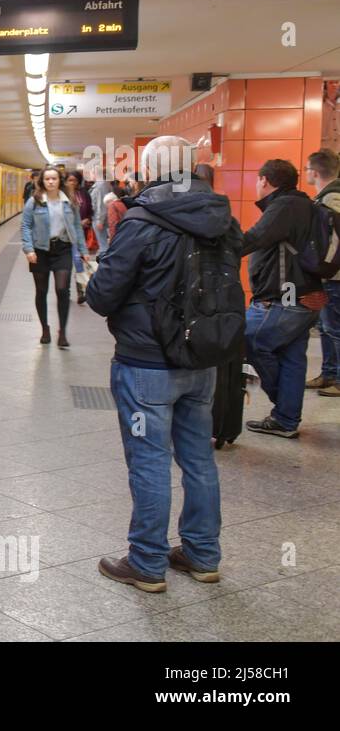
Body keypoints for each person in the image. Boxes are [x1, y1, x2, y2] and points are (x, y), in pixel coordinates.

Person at [85, 135, 237, 593]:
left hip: (146, 361)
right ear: (192, 168)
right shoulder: (222, 217)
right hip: (203, 357)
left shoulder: (142, 219)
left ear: (150, 171)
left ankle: (148, 562)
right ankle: (201, 555)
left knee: (149, 460)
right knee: (198, 460)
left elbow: (102, 295)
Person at [241, 158, 325, 438]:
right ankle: (286, 420)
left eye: (257, 180)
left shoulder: (284, 206)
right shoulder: (304, 203)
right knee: (291, 357)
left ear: (265, 180)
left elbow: (252, 239)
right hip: (306, 297)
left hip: (284, 299)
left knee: (250, 339)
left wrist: (215, 251)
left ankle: (284, 406)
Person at [20, 166, 90, 347]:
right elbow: (26, 225)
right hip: (40, 250)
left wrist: (83, 250)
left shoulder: (69, 201)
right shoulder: (34, 201)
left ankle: (63, 332)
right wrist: (28, 249)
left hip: (63, 248)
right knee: (41, 291)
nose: (51, 182)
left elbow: (76, 226)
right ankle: (45, 328)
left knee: (62, 289)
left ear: (60, 180)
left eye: (54, 179)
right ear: (42, 182)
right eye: (47, 179)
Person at [303, 148, 340, 397]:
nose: (305, 173)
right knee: (327, 327)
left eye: (306, 169)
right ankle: (328, 373)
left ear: (315, 172)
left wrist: (325, 267)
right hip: (329, 275)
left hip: (335, 276)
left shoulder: (332, 199)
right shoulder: (325, 197)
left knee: (336, 328)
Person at [64, 170, 94, 303]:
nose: (72, 183)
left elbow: (90, 209)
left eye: (74, 180)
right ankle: (65, 291)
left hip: (80, 233)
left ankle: (80, 291)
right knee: (66, 265)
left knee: (78, 262)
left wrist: (88, 219)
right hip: (65, 235)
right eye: (69, 180)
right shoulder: (62, 195)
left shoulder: (84, 194)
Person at [107, 174, 141, 242]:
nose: (130, 184)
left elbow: (113, 224)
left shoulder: (115, 204)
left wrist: (112, 240)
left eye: (131, 181)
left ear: (136, 182)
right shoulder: (133, 195)